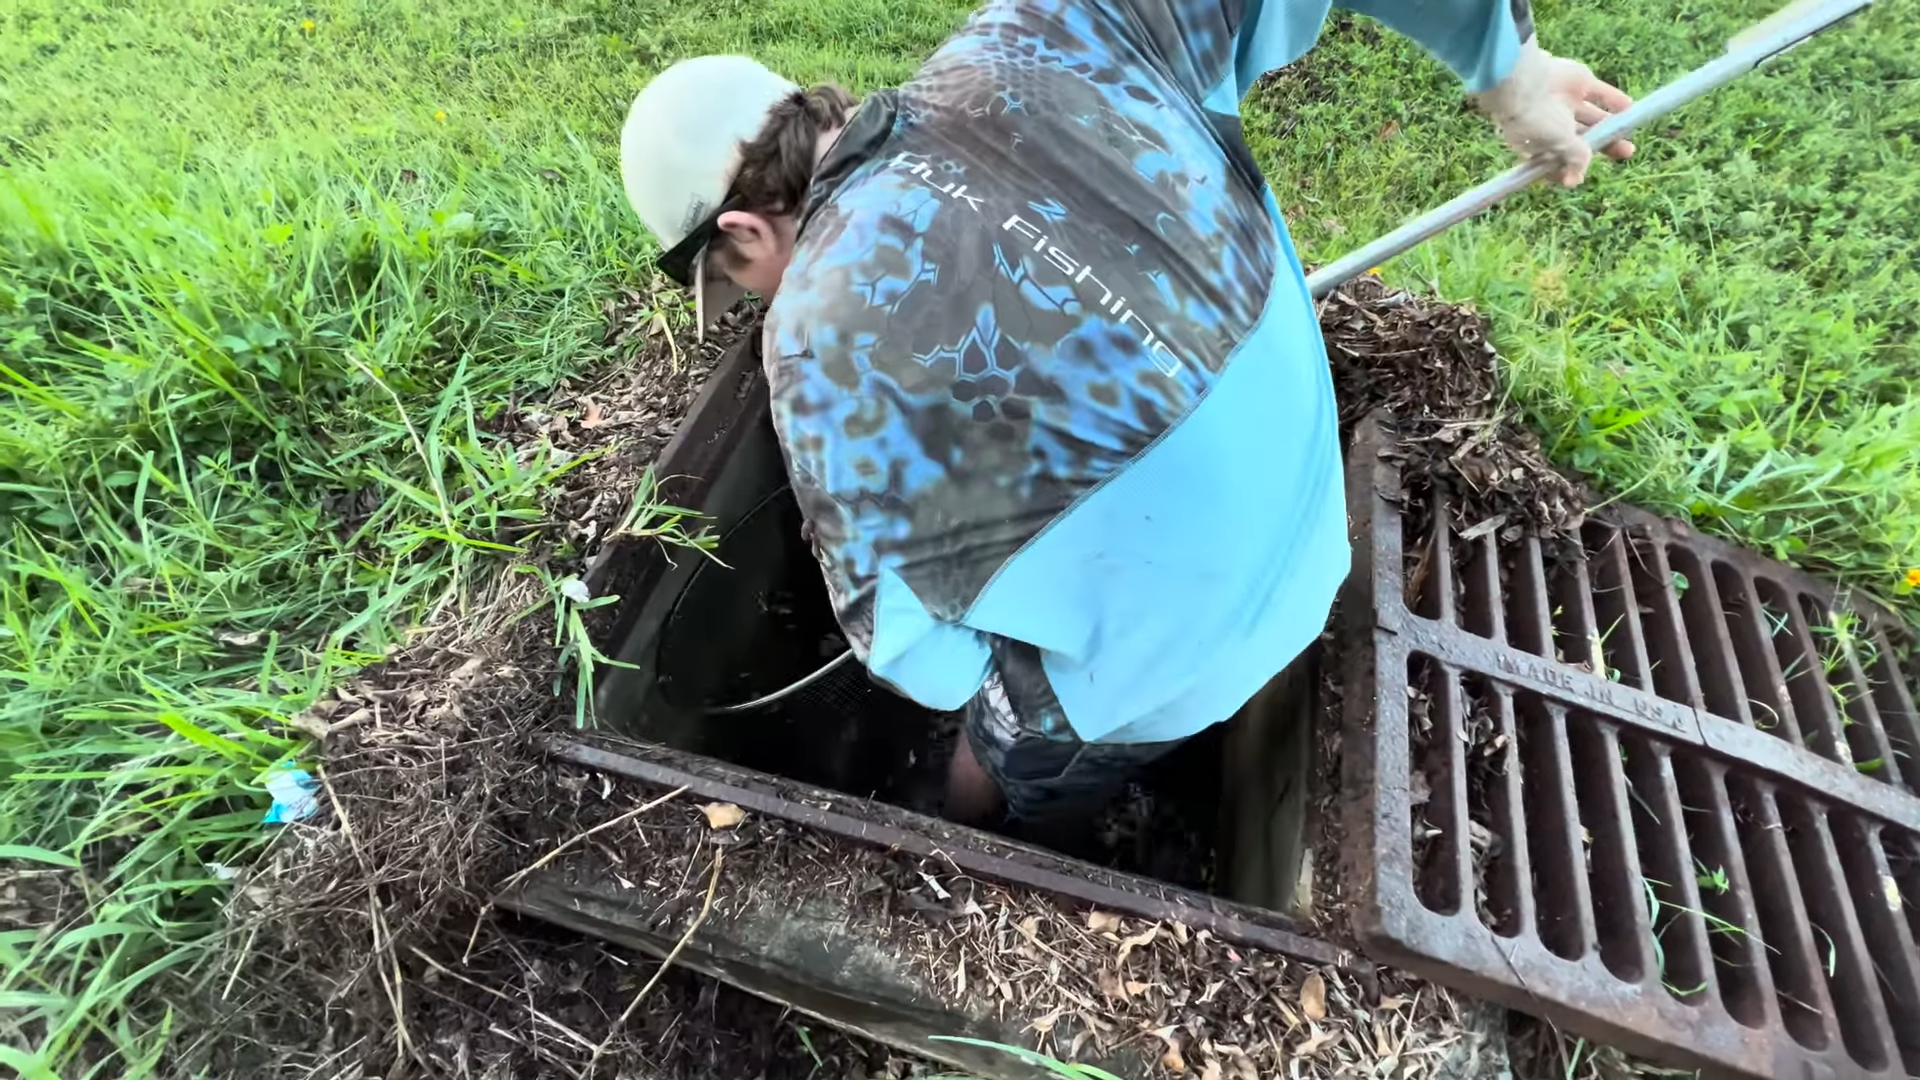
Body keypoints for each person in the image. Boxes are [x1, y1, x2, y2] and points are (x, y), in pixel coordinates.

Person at [618, 0, 1633, 829]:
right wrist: (1514, 73)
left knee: (983, 750)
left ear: (744, 231)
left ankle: (997, 842)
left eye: (738, 279)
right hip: (1313, 523)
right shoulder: (1040, 28)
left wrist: (970, 633)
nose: (756, 298)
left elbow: (925, 664)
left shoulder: (810, 340)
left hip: (1197, 649)